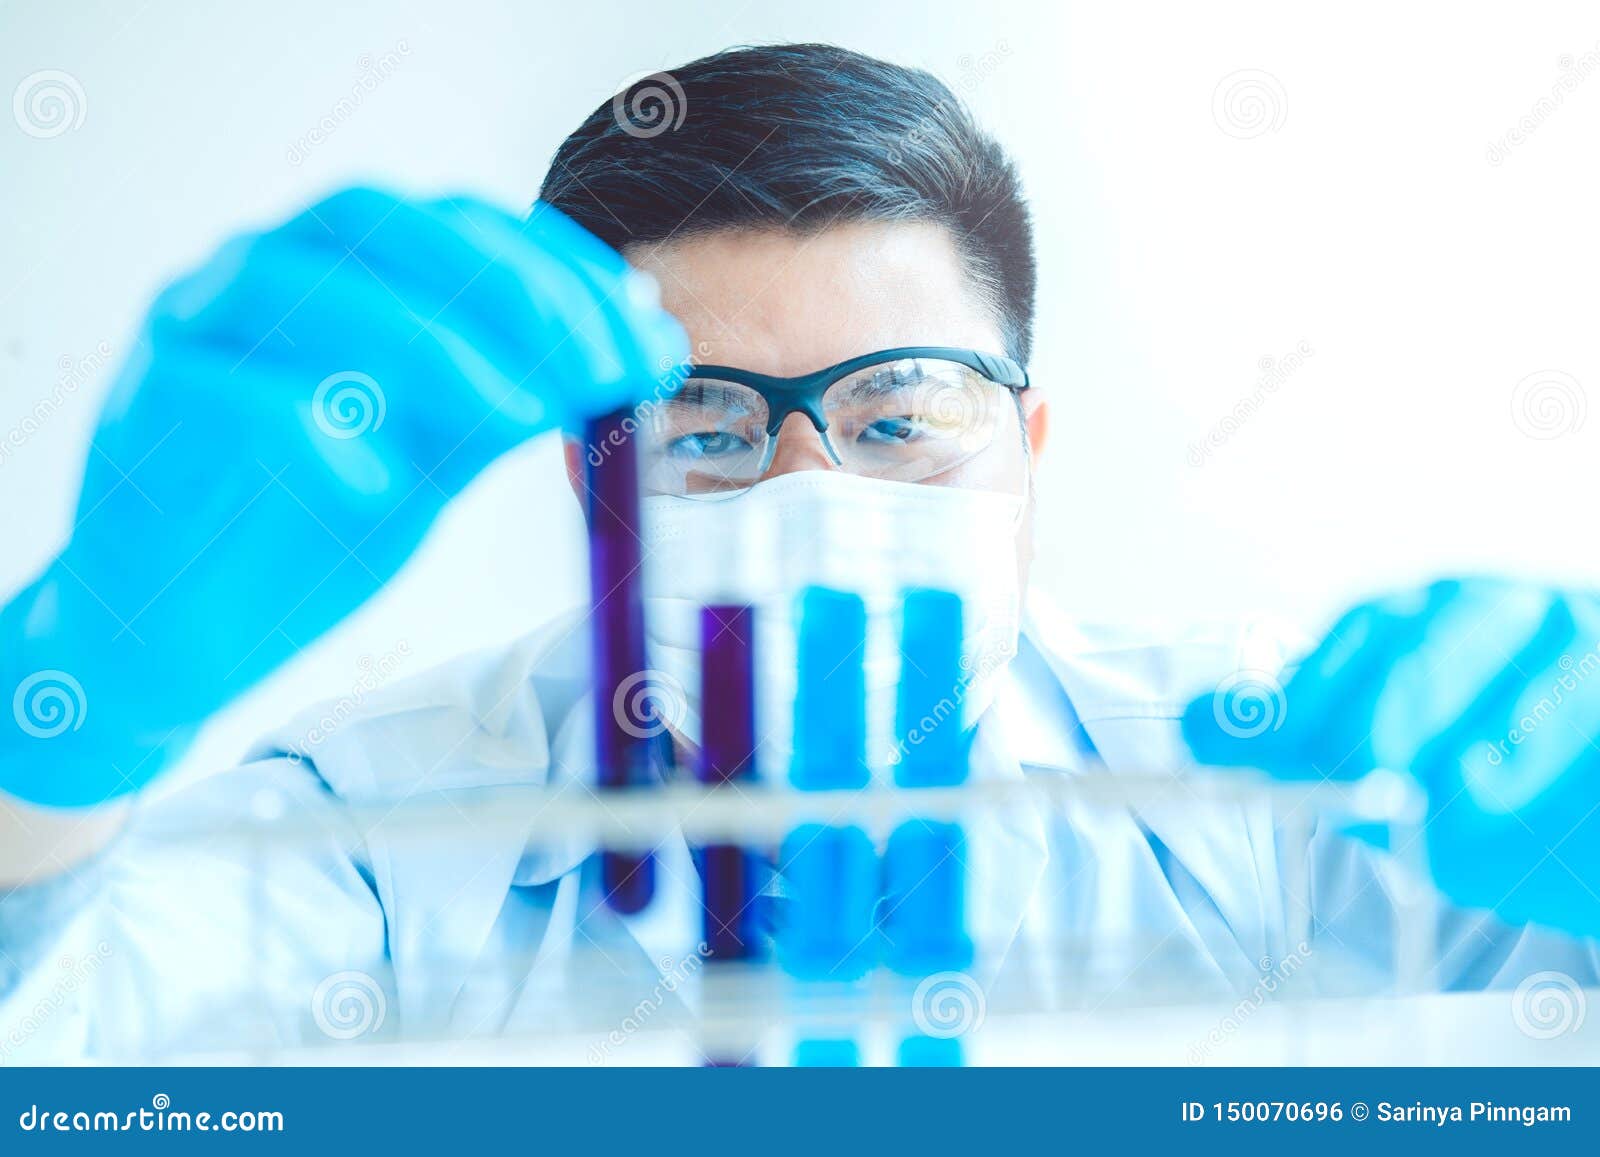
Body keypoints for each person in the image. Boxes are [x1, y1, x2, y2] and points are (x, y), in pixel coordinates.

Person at [1, 44, 1594, 1061]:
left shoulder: (1288, 787)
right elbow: (58, 1042)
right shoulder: (379, 833)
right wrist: (68, 707)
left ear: (1029, 447)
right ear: (589, 479)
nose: (808, 491)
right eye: (705, 425)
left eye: (900, 413)